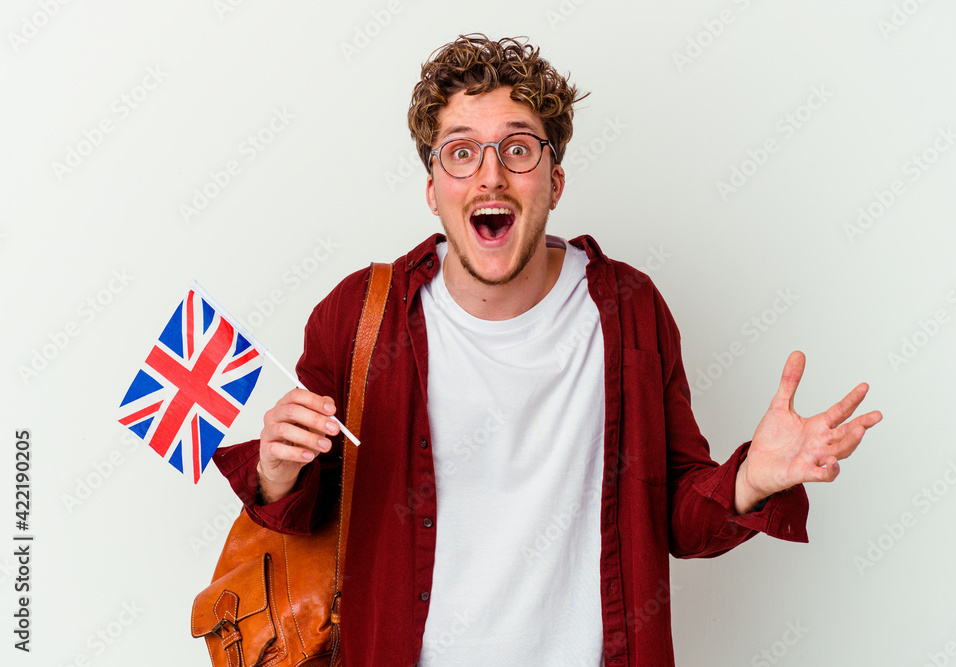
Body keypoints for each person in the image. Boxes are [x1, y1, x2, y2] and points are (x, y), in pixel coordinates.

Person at [214, 34, 882, 666]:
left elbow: (672, 518)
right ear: (433, 190)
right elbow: (306, 512)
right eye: (461, 152)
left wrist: (750, 480)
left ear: (555, 182)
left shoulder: (630, 310)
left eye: (518, 149)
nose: (490, 176)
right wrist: (277, 470)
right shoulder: (360, 317)